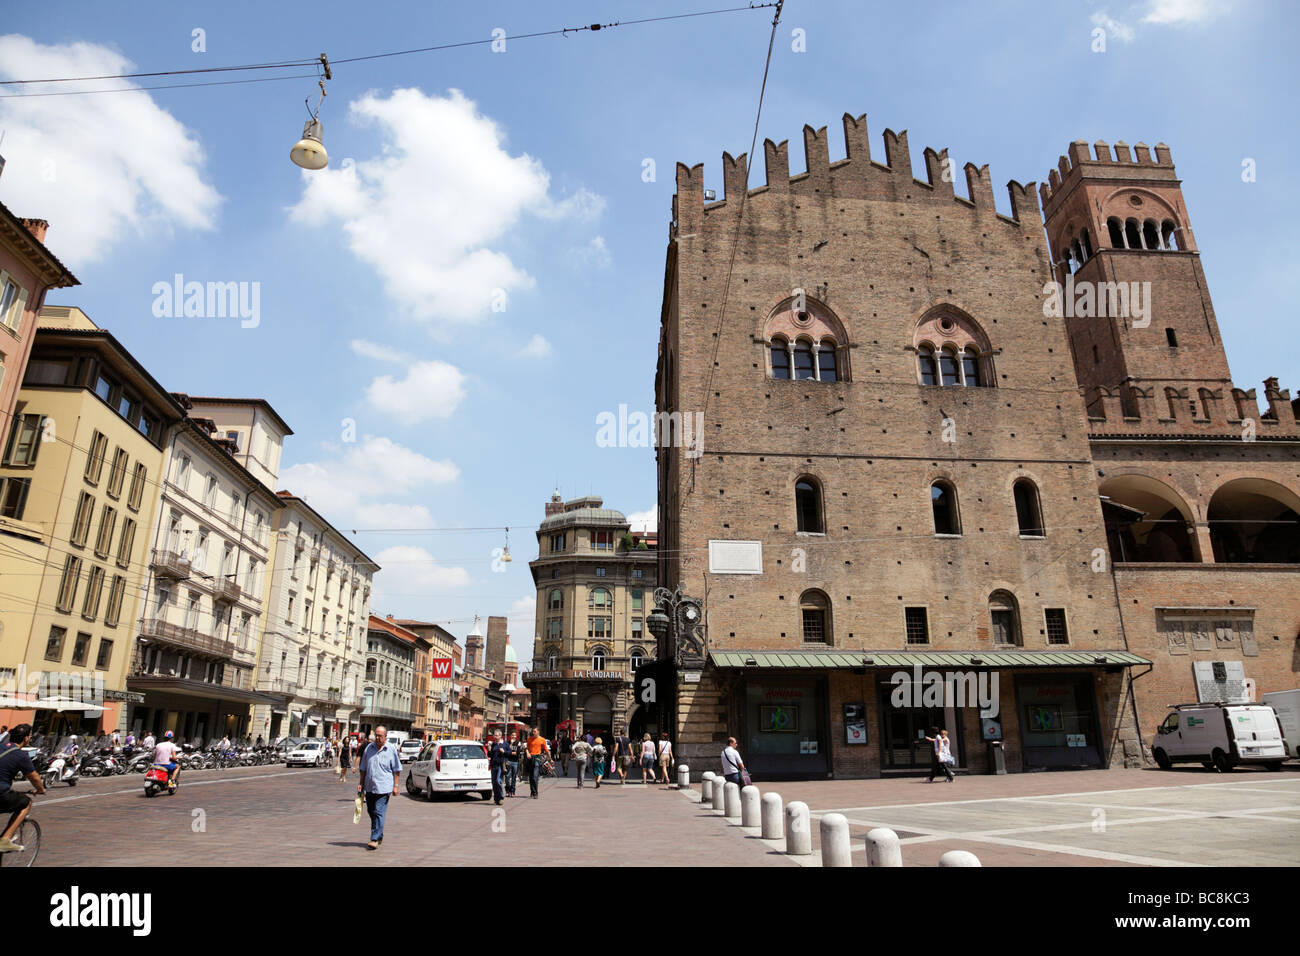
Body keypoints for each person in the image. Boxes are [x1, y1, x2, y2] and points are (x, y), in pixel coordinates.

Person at [0, 725, 45, 853]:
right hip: (1, 794)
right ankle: (5, 840)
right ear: (26, 738)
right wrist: (40, 789)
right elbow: (34, 777)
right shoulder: (21, 755)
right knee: (26, 802)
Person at [358, 726, 402, 849]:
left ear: (385, 737)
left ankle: (374, 838)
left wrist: (396, 786)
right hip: (370, 786)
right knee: (371, 811)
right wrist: (361, 783)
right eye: (376, 735)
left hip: (384, 787)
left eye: (380, 736)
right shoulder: (368, 748)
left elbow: (397, 769)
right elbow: (363, 768)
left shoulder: (391, 749)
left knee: (378, 811)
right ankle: (379, 833)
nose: (377, 738)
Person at [525, 728, 550, 799]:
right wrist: (527, 753)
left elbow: (546, 750)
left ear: (538, 732)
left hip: (537, 758)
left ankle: (536, 793)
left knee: (535, 776)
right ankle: (532, 792)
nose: (533, 733)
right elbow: (527, 748)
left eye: (535, 731)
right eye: (533, 731)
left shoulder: (542, 739)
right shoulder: (530, 739)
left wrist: (550, 759)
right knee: (530, 776)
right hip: (530, 758)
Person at [488, 733, 508, 805]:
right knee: (494, 783)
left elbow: (509, 753)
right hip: (494, 765)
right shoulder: (493, 744)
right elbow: (490, 755)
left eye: (496, 735)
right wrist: (489, 750)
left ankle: (501, 797)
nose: (495, 737)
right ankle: (496, 799)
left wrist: (504, 751)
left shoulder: (505, 744)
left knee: (498, 781)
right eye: (494, 735)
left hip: (500, 765)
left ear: (500, 736)